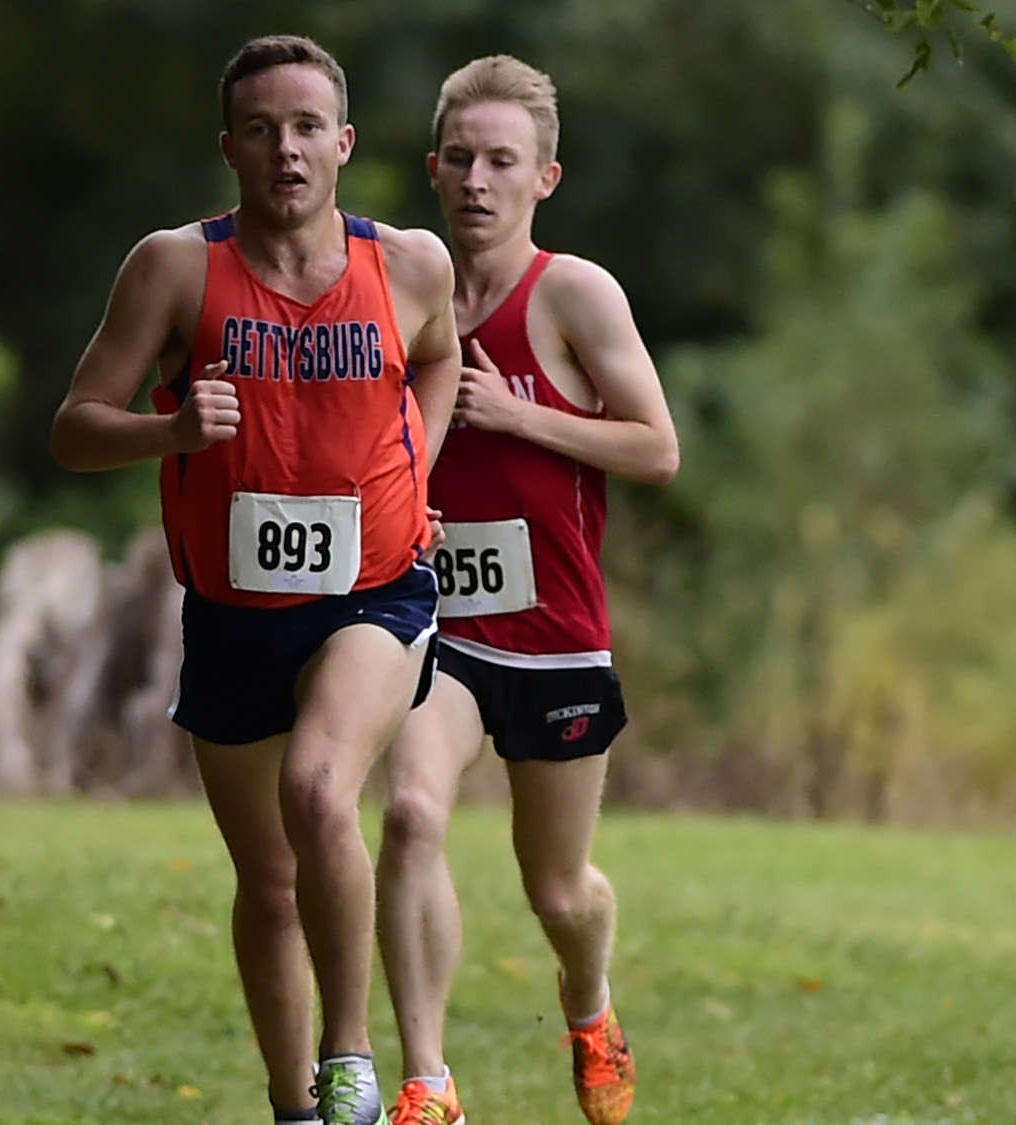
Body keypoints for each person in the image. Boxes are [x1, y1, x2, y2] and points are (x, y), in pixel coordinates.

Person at [50, 34, 461, 1125]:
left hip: (375, 591)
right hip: (232, 610)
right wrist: (172, 428)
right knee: (270, 881)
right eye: (263, 129)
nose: (286, 149)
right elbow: (74, 430)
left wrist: (412, 462)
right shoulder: (175, 268)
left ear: (344, 143)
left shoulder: (409, 265)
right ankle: (294, 1109)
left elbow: (439, 354)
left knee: (318, 789)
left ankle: (351, 1059)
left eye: (307, 128)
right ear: (229, 146)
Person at [375, 55, 680, 1125]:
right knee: (410, 816)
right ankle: (427, 1082)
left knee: (558, 891)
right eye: (458, 158)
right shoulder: (399, 291)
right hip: (432, 627)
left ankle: (588, 1005)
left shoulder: (574, 293)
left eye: (501, 161)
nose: (475, 180)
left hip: (552, 636)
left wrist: (518, 418)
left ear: (543, 177)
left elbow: (654, 449)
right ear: (430, 167)